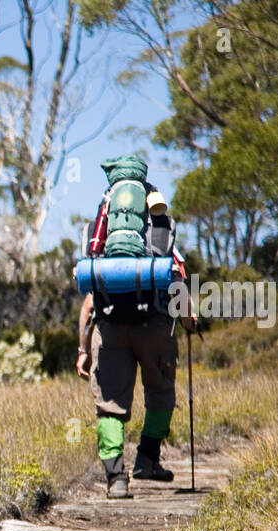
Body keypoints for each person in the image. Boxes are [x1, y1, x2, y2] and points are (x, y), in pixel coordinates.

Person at [76, 165, 196, 499]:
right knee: (160, 394)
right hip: (155, 328)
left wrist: (84, 349)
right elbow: (178, 284)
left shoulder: (100, 240)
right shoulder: (160, 234)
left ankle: (116, 479)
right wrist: (189, 322)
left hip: (109, 329)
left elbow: (89, 302)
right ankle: (147, 459)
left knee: (110, 405)